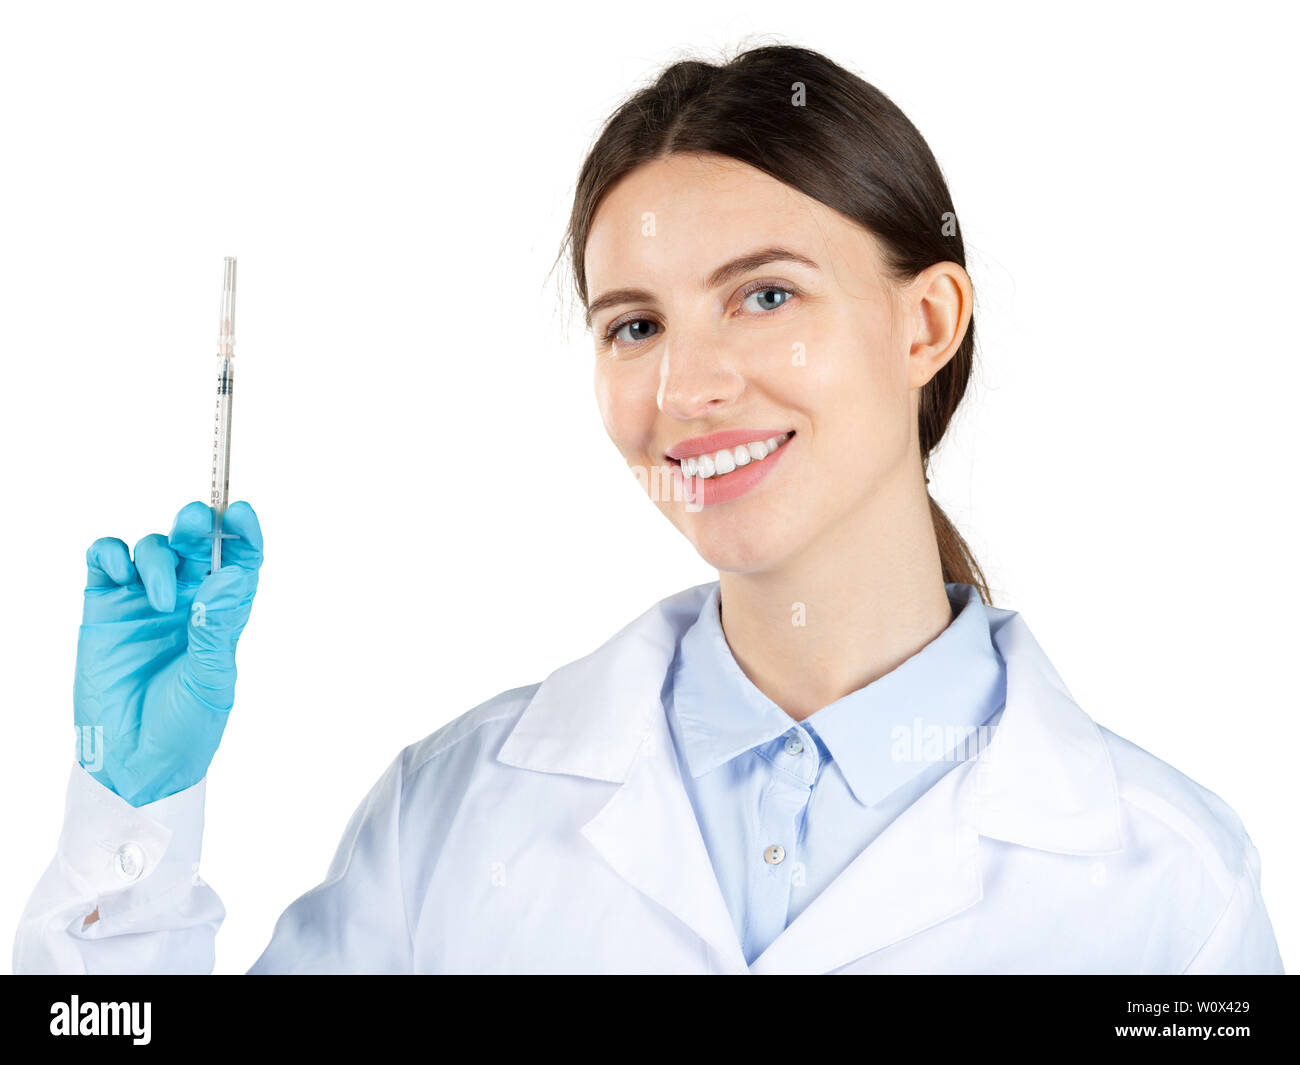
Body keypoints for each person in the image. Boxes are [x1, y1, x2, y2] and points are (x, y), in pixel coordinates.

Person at [14, 44, 1284, 975]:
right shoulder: (454, 819)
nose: (684, 388)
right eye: (634, 325)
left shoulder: (1166, 882)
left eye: (766, 295)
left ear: (926, 321)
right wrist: (128, 824)